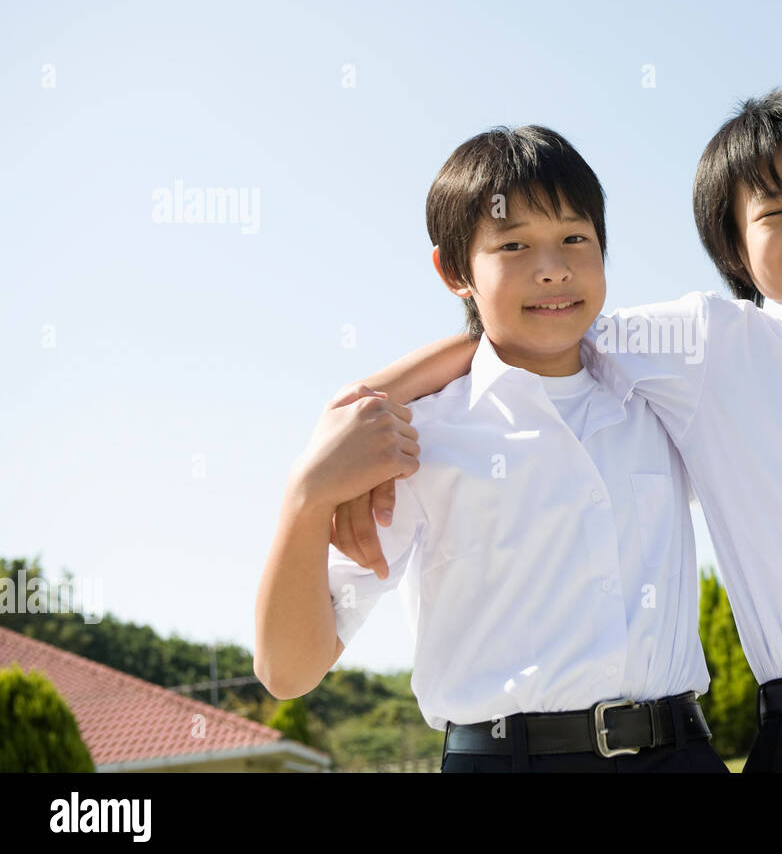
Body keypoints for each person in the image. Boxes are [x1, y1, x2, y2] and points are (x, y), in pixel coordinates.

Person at [336, 89, 782, 772]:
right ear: (732, 246)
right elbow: (536, 327)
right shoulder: (712, 346)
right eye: (774, 212)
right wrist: (364, 404)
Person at [255, 125, 728, 772]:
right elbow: (287, 671)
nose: (553, 267)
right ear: (455, 270)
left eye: (574, 238)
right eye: (513, 245)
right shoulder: (417, 439)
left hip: (681, 754)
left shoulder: (664, 394)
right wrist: (306, 496)